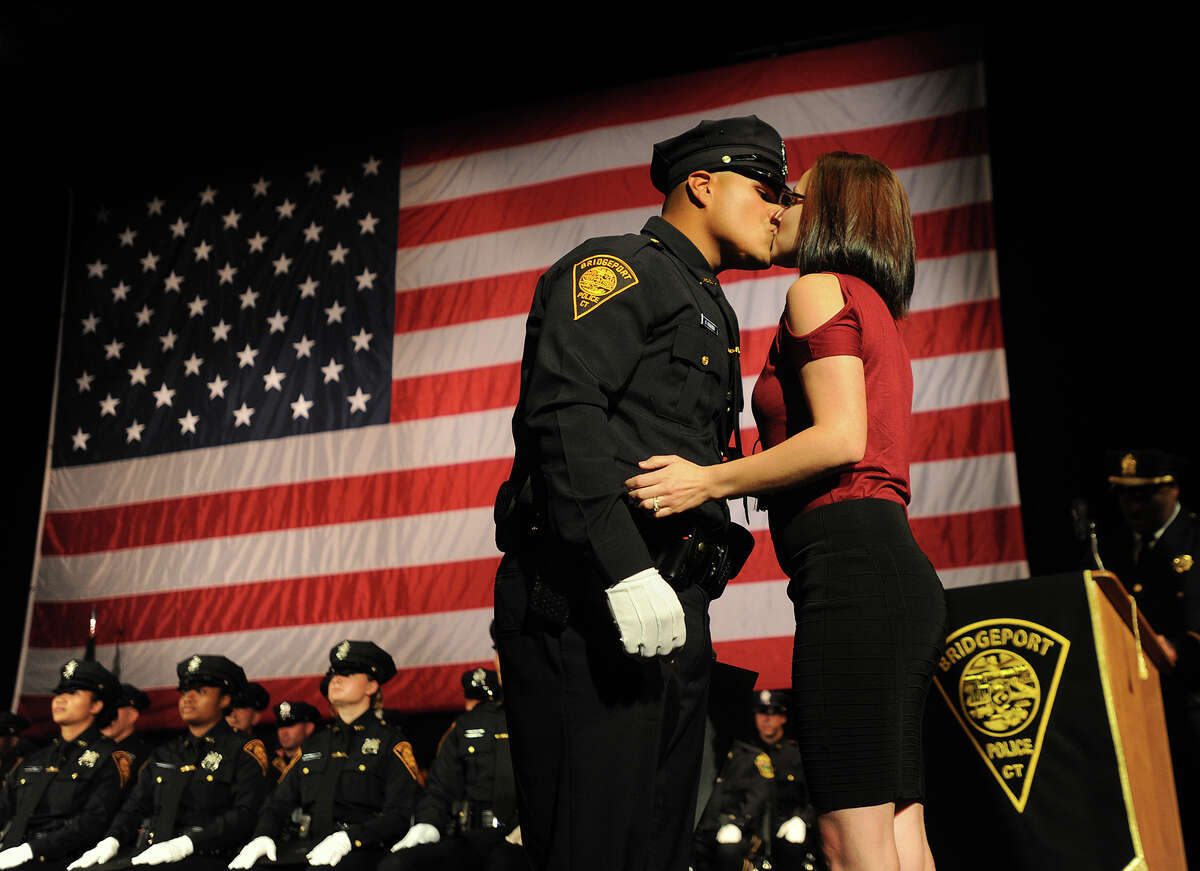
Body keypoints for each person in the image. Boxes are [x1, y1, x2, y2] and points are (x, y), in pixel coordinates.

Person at [626, 151, 945, 871]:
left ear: (832, 211)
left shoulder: (818, 288)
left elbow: (840, 438)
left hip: (853, 577)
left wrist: (706, 480)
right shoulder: (873, 304)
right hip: (889, 576)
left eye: (794, 196)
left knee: (847, 842)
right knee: (898, 834)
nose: (778, 208)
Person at [492, 114, 788, 871]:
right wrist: (624, 564)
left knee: (656, 849)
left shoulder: (708, 303)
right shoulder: (622, 269)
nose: (778, 209)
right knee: (595, 846)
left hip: (672, 603)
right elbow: (563, 412)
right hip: (591, 600)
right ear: (701, 182)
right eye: (763, 189)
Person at [226, 641, 420, 871]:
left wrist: (350, 838)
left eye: (348, 673)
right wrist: (264, 835)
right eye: (334, 673)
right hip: (310, 845)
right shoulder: (315, 744)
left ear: (371, 686)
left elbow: (399, 814)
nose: (336, 678)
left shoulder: (391, 742)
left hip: (363, 848)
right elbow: (278, 803)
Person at [66, 655, 270, 871]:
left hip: (209, 858)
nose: (188, 698)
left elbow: (245, 814)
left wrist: (185, 844)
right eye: (184, 691)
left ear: (225, 700)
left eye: (200, 691)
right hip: (153, 856)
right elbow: (134, 806)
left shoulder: (244, 749)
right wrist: (112, 839)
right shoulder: (166, 753)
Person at [1098, 448, 1199, 864]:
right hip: (1139, 704)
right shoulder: (1114, 545)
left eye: (1143, 497)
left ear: (1172, 490)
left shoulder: (1193, 540)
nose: (1131, 506)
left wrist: (1177, 646)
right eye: (1124, 497)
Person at [382, 663, 521, 871]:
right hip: (470, 835)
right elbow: (440, 787)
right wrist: (427, 823)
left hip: (523, 837)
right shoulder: (464, 726)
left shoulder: (538, 718)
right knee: (399, 864)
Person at [0, 660, 127, 871]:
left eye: (73, 692)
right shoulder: (37, 758)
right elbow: (4, 806)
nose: (60, 699)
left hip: (63, 862)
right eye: (59, 692)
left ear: (96, 705)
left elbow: (92, 822)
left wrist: (30, 851)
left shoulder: (111, 757)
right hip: (11, 855)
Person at [693, 690, 818, 871]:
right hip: (749, 832)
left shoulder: (796, 756)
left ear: (783, 718)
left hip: (787, 834)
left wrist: (802, 820)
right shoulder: (742, 755)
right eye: (762, 713)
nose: (767, 719)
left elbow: (814, 796)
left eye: (773, 713)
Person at [101, 684, 153, 783]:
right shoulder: (90, 749)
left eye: (113, 710)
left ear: (132, 715)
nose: (106, 715)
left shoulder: (143, 757)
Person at [269, 702, 321, 783]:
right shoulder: (271, 762)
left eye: (290, 725)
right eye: (280, 725)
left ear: (308, 728)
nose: (284, 732)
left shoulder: (318, 761)